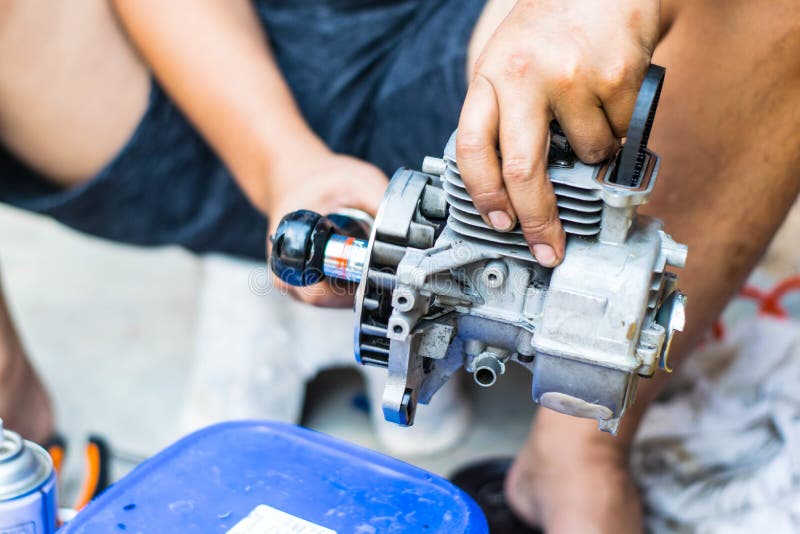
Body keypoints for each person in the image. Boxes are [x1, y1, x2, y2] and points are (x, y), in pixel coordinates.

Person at [0, 0, 797, 531]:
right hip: (169, 65)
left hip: (476, 46)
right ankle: (20, 457)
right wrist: (282, 163)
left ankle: (573, 450)